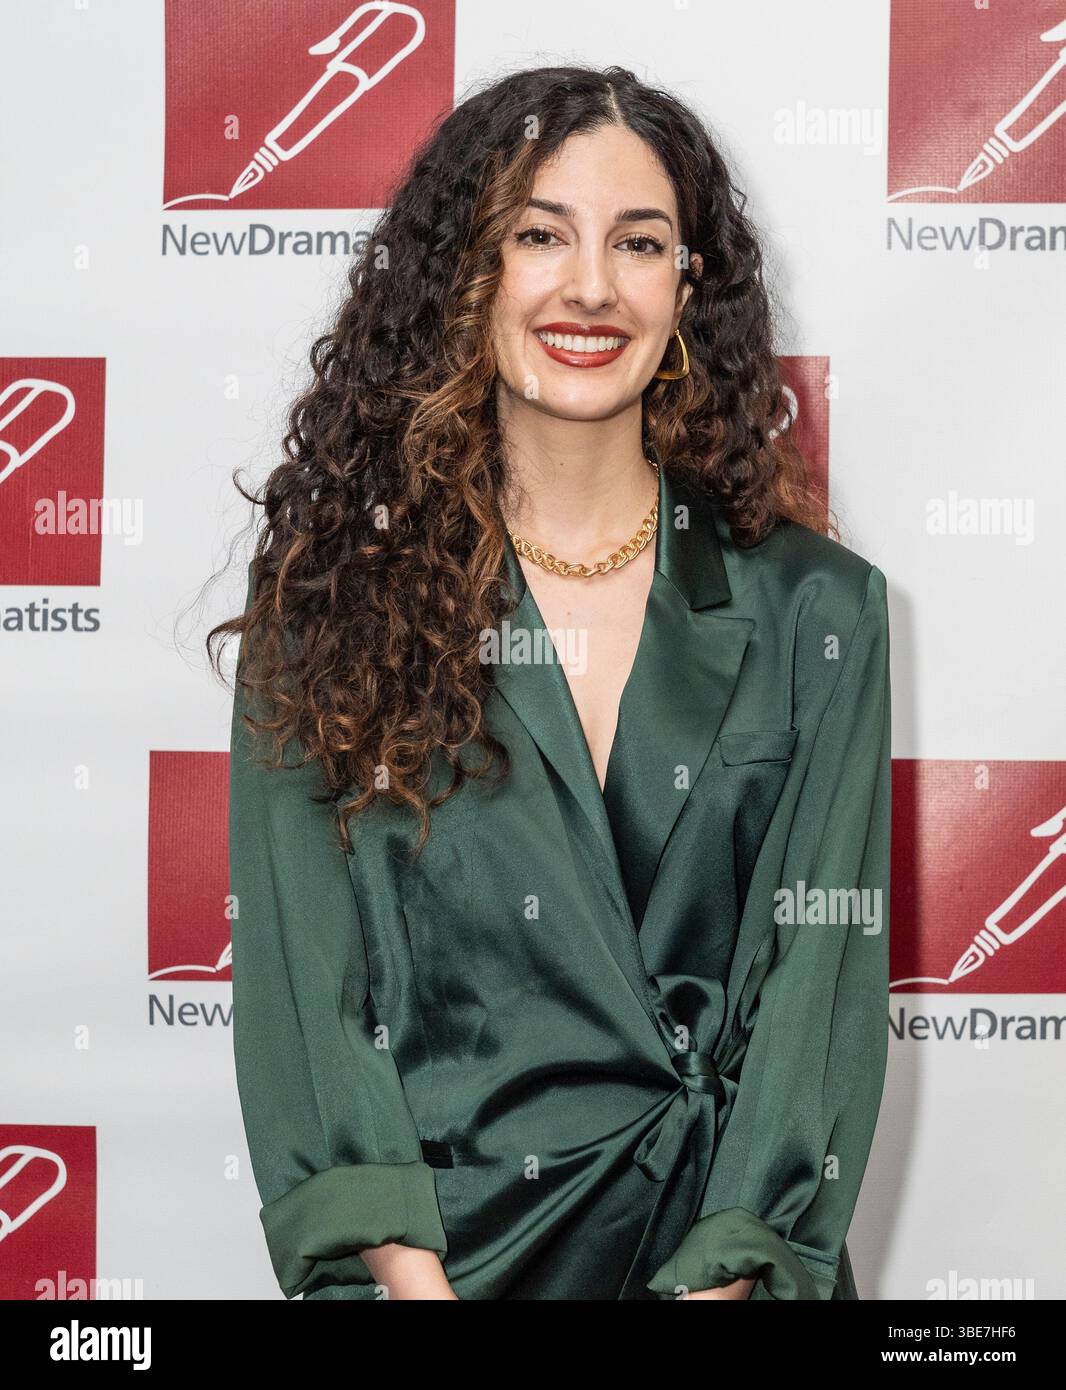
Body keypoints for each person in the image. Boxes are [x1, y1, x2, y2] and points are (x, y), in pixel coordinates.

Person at [209, 63, 891, 1301]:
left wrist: (734, 1268)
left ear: (690, 288)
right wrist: (414, 1288)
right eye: (538, 234)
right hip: (440, 1269)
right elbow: (309, 989)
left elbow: (819, 981)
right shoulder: (324, 611)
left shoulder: (818, 608)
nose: (589, 286)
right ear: (462, 274)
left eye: (639, 243)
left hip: (721, 1262)